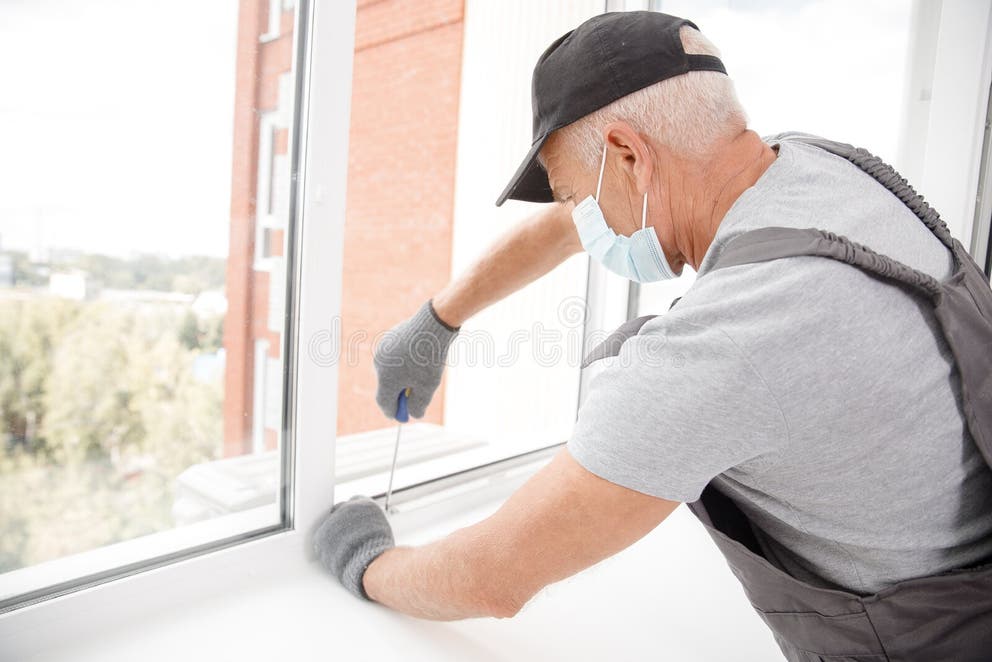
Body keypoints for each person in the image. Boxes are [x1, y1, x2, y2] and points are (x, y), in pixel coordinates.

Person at [314, 11, 992, 660]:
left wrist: (368, 561)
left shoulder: (733, 341)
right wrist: (441, 318)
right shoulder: (819, 169)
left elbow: (493, 576)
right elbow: (569, 228)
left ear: (630, 157)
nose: (580, 219)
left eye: (574, 192)